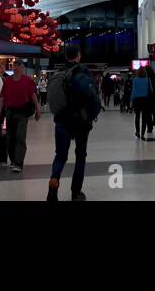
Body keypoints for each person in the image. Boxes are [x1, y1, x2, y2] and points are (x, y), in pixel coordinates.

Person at [47, 44, 101, 202]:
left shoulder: (59, 73)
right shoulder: (82, 73)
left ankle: (53, 186)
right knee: (80, 156)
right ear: (78, 56)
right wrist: (91, 114)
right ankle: (76, 192)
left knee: (60, 156)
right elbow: (92, 97)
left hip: (61, 121)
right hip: (79, 123)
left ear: (65, 57)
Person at [0, 61, 40, 172]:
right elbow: (2, 98)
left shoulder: (28, 81)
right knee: (10, 137)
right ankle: (13, 160)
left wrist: (38, 109)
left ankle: (19, 162)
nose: (16, 68)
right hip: (10, 112)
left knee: (20, 136)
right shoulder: (8, 81)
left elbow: (33, 95)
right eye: (14, 66)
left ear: (22, 68)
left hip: (22, 112)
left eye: (18, 66)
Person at [130, 67, 153, 139]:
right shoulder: (148, 79)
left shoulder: (135, 80)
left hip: (137, 100)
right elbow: (151, 90)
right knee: (144, 117)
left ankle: (137, 132)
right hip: (145, 100)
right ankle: (143, 133)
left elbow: (133, 91)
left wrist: (131, 101)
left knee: (137, 116)